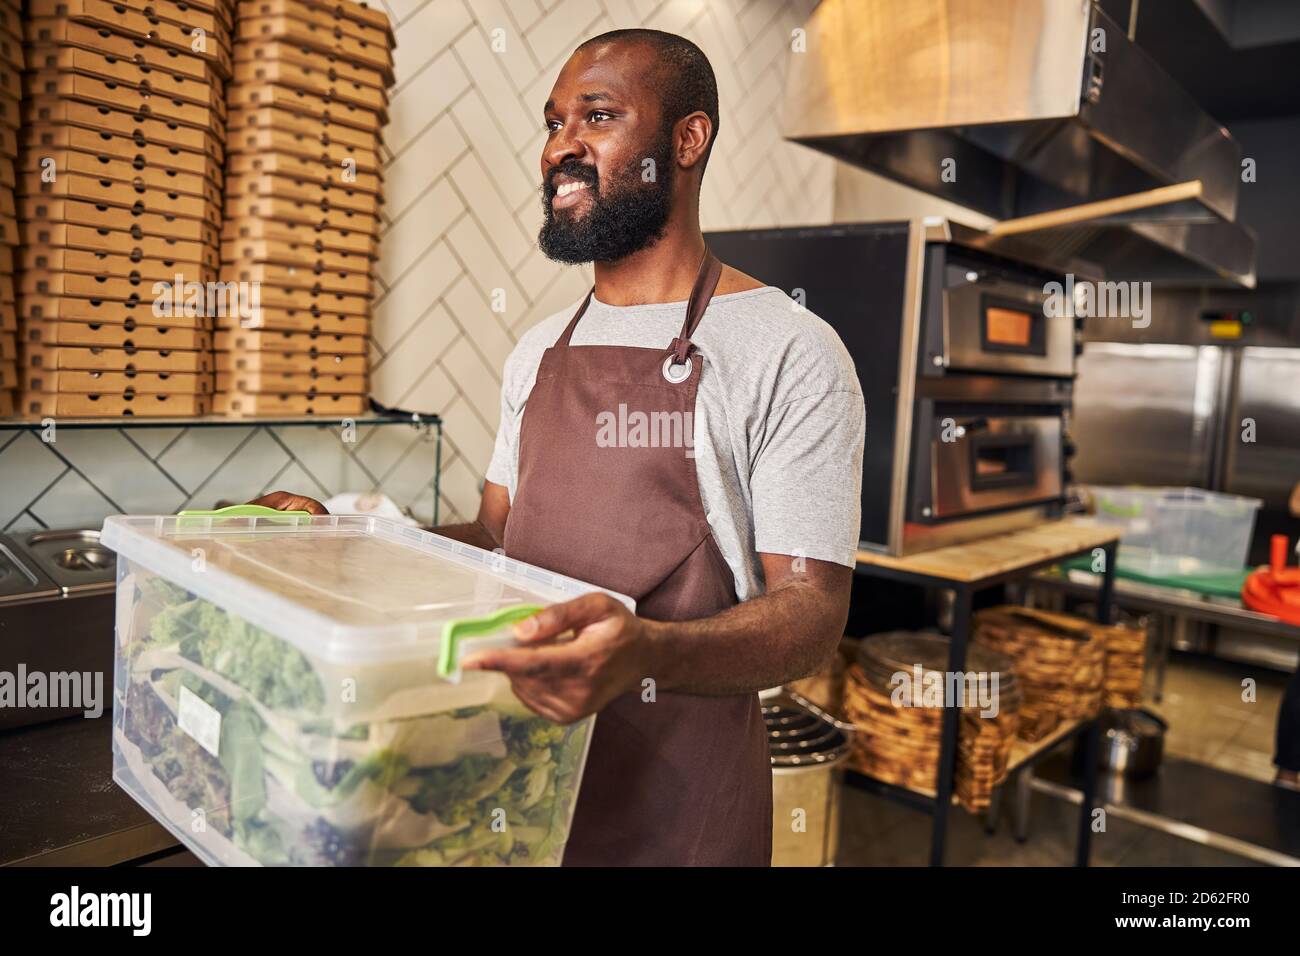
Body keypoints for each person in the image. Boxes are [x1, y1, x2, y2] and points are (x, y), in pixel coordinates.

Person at [250, 29, 866, 865]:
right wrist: (351, 544)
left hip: (676, 802)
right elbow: (499, 542)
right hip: (514, 786)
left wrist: (644, 650)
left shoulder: (791, 350)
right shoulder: (540, 349)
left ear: (688, 140)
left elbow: (811, 614)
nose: (560, 147)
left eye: (599, 116)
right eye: (554, 122)